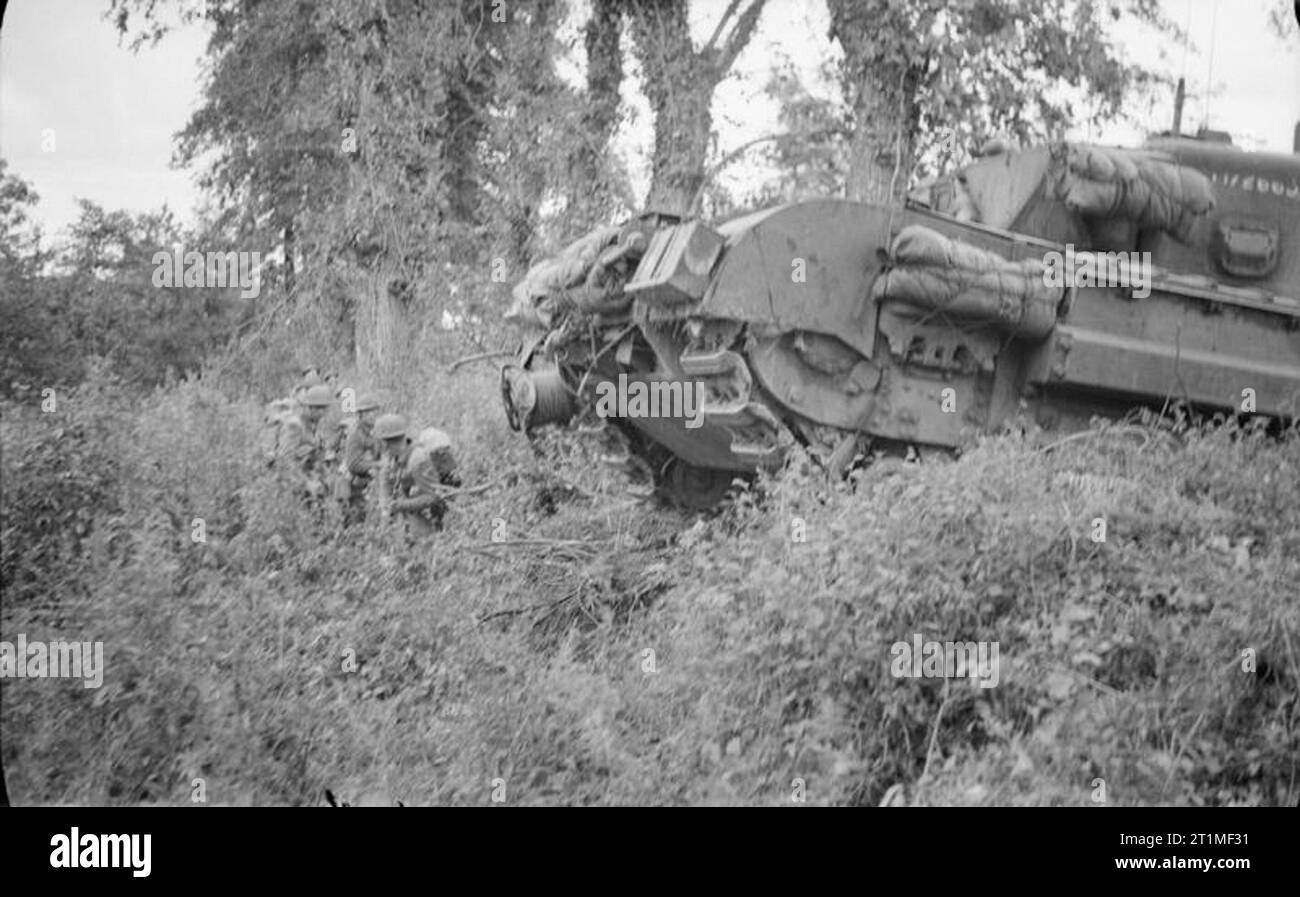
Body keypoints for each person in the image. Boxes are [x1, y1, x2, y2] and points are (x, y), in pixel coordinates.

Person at [374, 413, 461, 539]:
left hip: (428, 514)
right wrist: (385, 507)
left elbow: (432, 496)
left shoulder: (418, 459)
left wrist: (401, 505)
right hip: (410, 509)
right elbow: (385, 480)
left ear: (384, 443)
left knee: (425, 543)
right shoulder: (391, 456)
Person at [335, 394, 382, 524]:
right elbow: (354, 465)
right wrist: (377, 465)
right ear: (360, 415)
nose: (372, 415)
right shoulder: (355, 435)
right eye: (368, 412)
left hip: (362, 487)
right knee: (352, 523)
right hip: (349, 488)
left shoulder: (373, 434)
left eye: (374, 412)